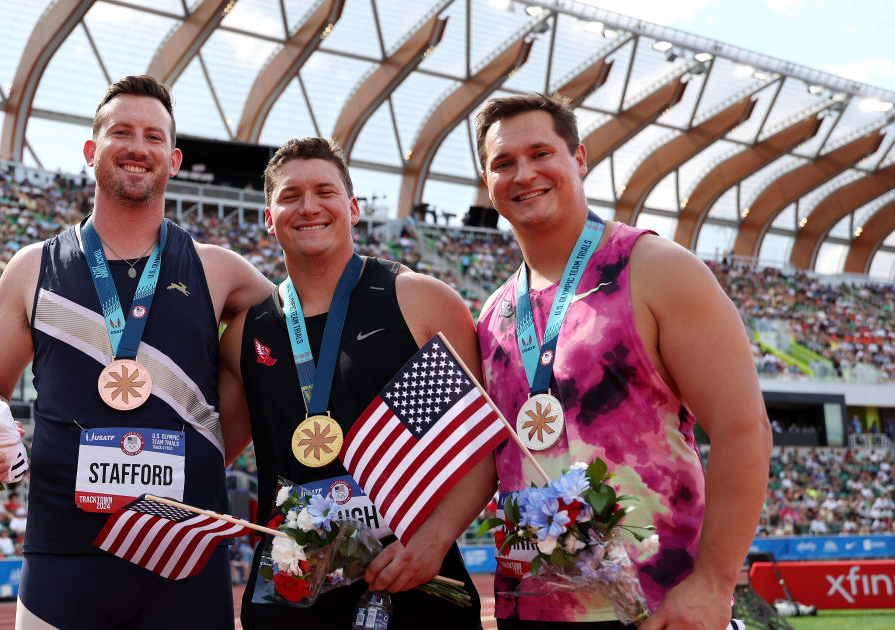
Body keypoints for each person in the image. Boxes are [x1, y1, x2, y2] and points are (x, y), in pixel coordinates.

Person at [0, 74, 273, 629]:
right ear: (91, 150)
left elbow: (291, 347)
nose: (137, 147)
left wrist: (215, 449)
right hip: (65, 553)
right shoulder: (33, 267)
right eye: (121, 131)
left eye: (154, 136)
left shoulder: (221, 272)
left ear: (173, 160)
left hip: (185, 551)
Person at [471, 93, 771, 629]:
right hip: (531, 608)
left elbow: (742, 428)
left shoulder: (655, 268)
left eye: (541, 153)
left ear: (579, 158)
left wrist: (714, 583)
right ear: (486, 181)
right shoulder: (494, 313)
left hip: (654, 605)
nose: (524, 173)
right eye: (503, 163)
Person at [218, 137, 494, 628]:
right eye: (289, 196)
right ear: (267, 217)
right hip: (291, 594)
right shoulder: (246, 332)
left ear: (353, 207)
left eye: (324, 191)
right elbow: (210, 449)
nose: (308, 207)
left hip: (413, 583)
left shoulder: (419, 301)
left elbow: (481, 444)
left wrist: (431, 543)